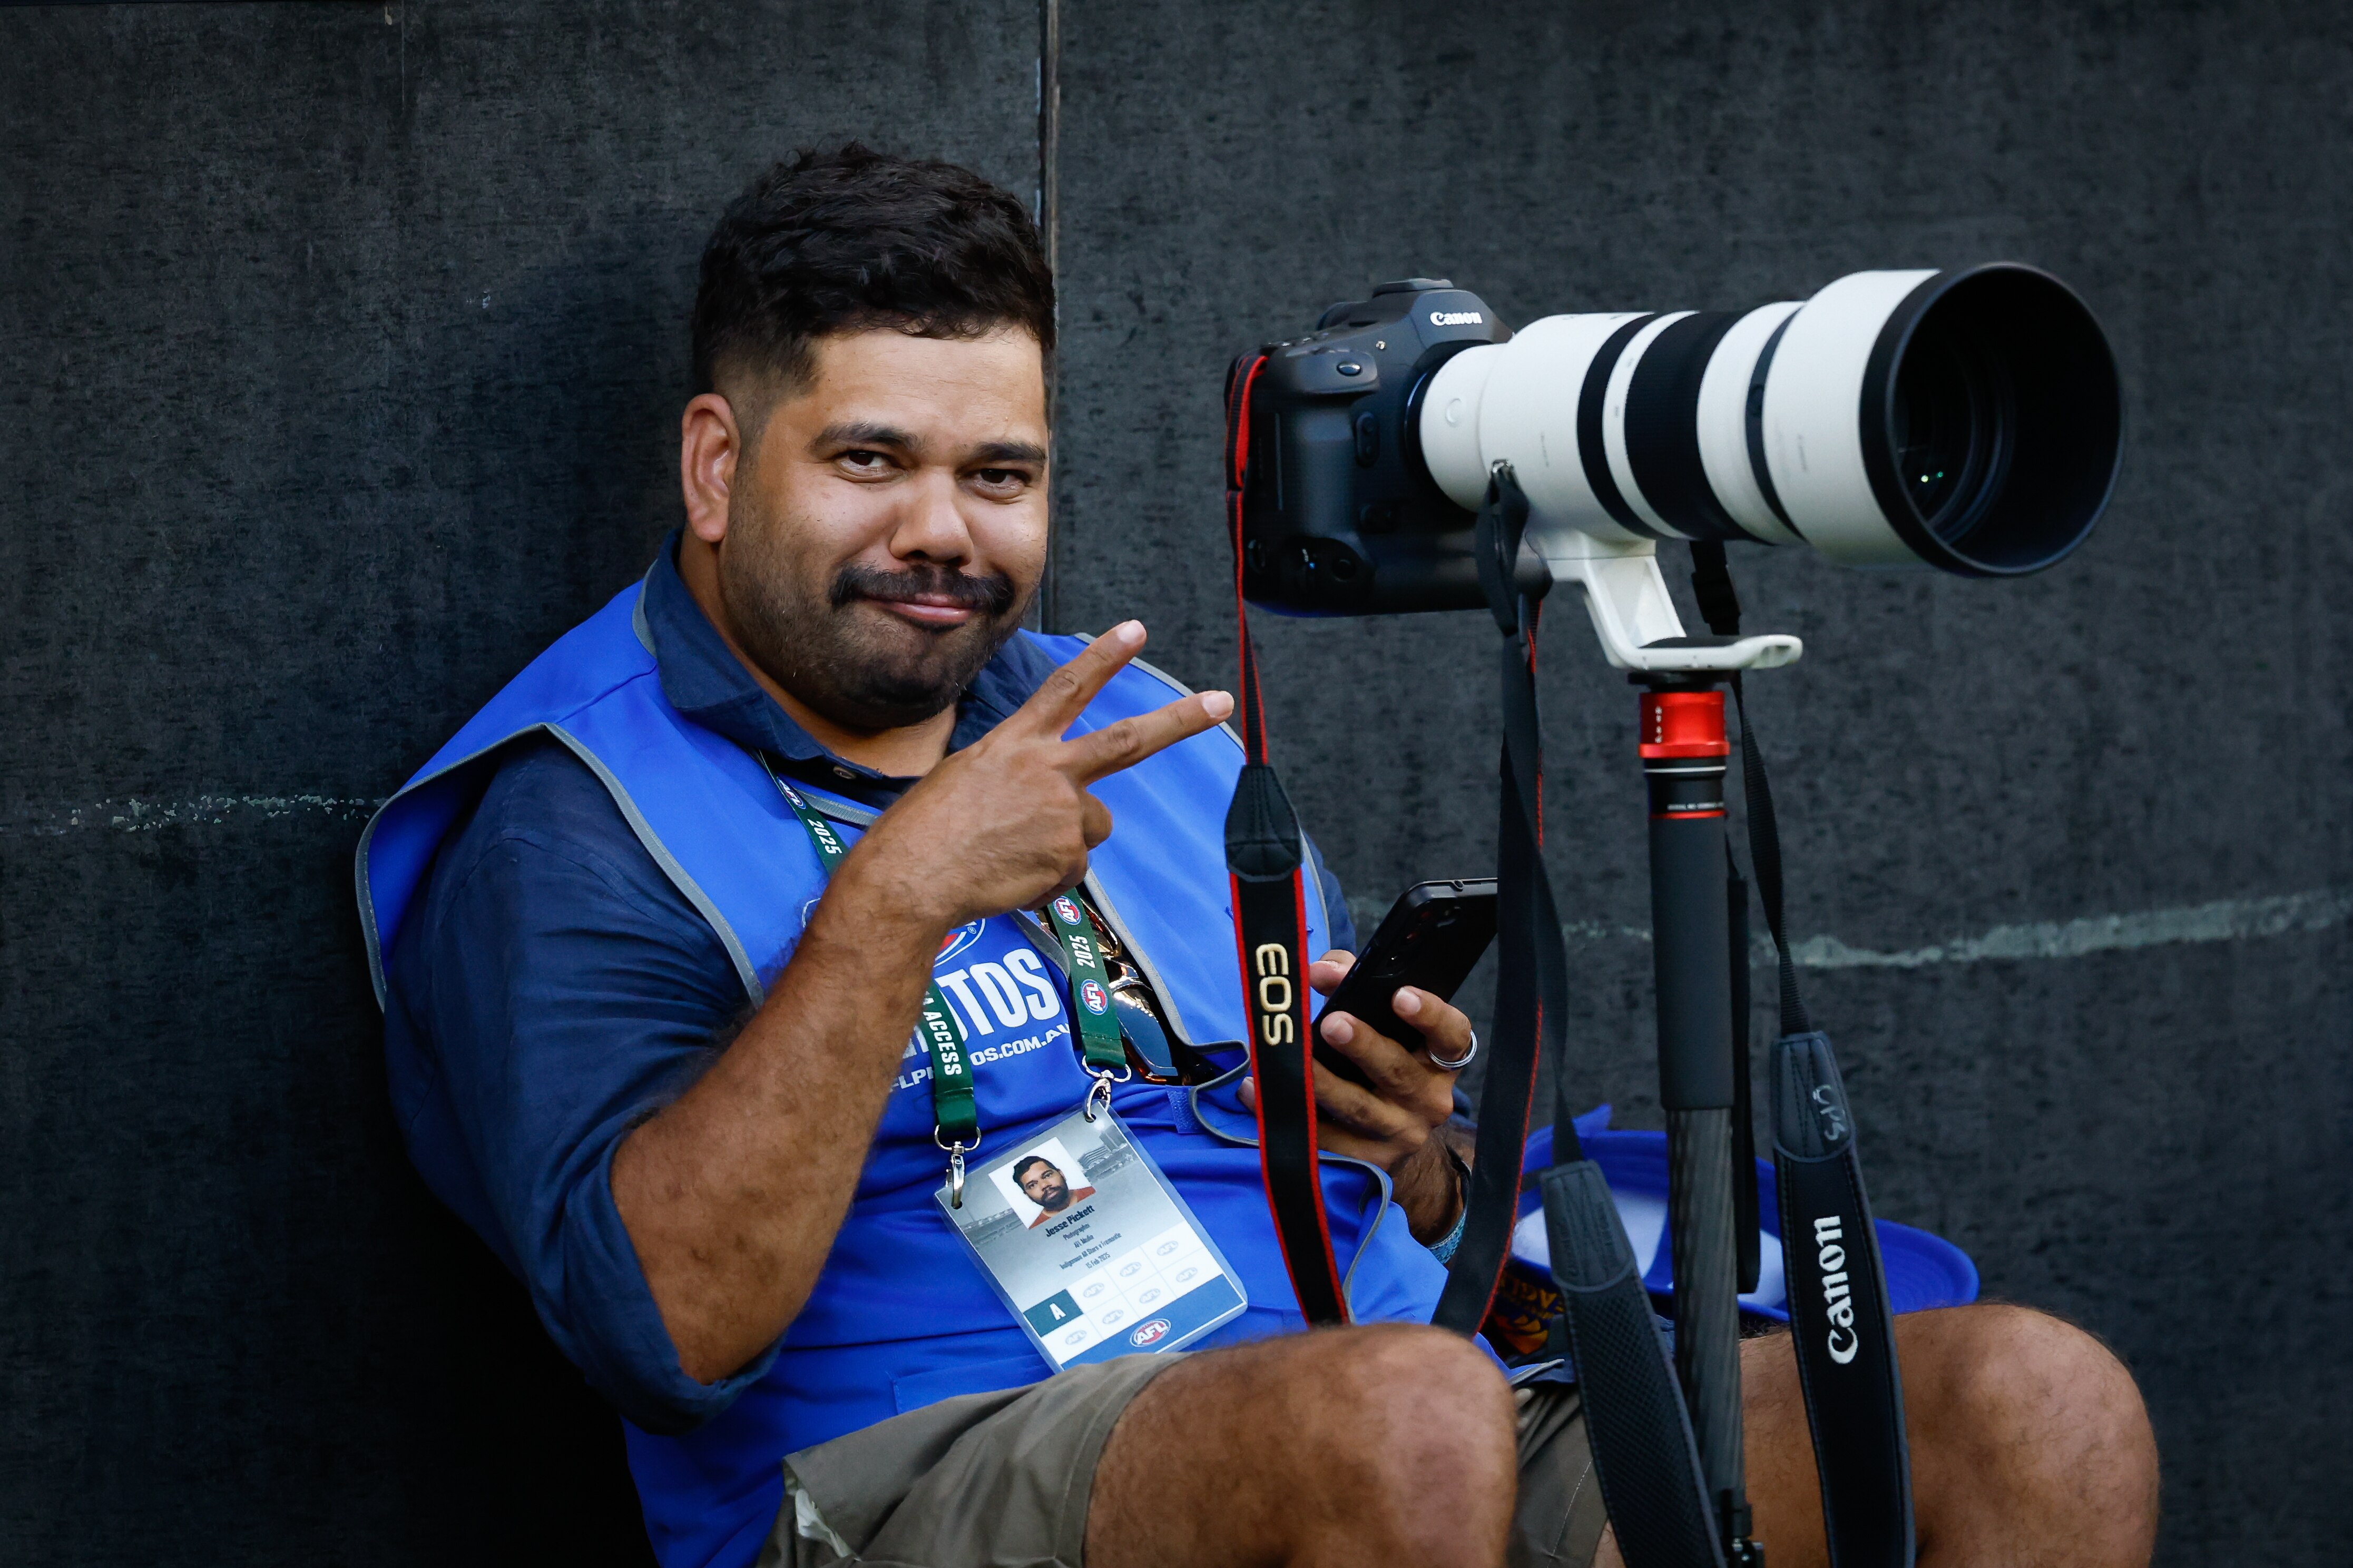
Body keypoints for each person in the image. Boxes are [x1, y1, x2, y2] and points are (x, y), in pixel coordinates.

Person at [360, 144, 2160, 1568]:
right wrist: (895, 899)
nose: (941, 531)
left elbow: (1399, 1206)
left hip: (1393, 1388)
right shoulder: (575, 815)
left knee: (2031, 1401)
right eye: (866, 460)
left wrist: (1418, 1158)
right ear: (713, 463)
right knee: (1398, 1423)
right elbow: (659, 1327)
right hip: (920, 1470)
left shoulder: (1146, 740)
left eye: (999, 472)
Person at [1014, 1155, 1094, 1225]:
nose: (1044, 1185)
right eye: (1033, 1185)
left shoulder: (1094, 1193)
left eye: (1047, 1175)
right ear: (1028, 1196)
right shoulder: (1037, 1230)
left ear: (1061, 1174)